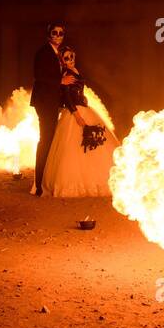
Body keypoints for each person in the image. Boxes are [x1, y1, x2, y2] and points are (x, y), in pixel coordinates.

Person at [41, 46, 119, 197]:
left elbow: (77, 91)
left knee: (93, 144)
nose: (70, 60)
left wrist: (83, 98)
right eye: (66, 58)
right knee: (75, 147)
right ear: (62, 61)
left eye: (71, 57)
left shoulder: (75, 70)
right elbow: (67, 97)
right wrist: (77, 115)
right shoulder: (66, 73)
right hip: (75, 112)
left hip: (83, 107)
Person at [30, 21, 74, 196]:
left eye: (61, 33)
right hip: (44, 102)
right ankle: (40, 184)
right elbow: (39, 76)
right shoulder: (43, 52)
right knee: (46, 139)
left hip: (52, 102)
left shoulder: (59, 53)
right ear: (49, 35)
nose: (58, 35)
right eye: (54, 33)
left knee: (50, 140)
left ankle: (45, 181)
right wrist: (60, 82)